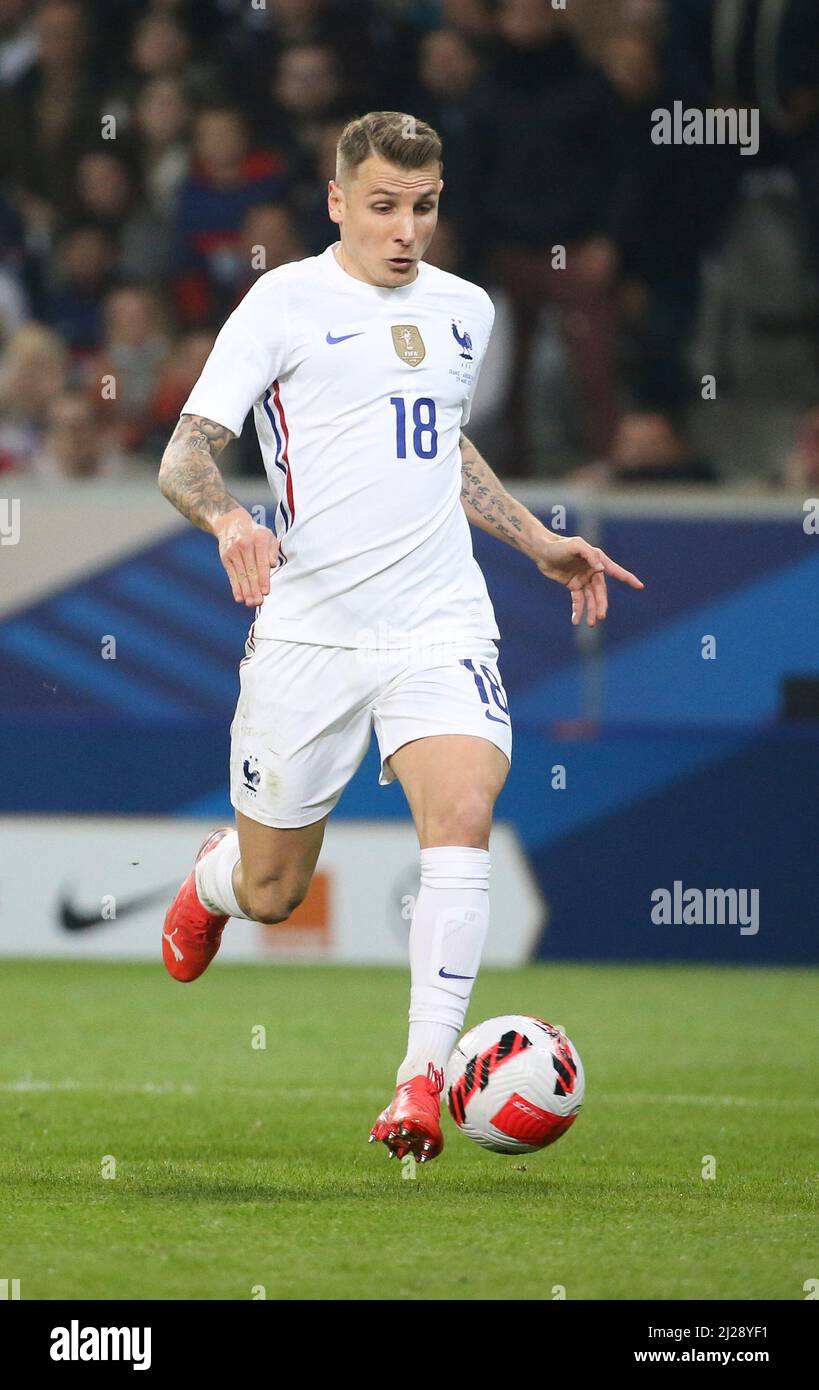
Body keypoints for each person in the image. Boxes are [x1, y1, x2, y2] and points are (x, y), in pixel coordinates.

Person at [156, 110, 644, 1164]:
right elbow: (186, 454)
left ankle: (420, 1081)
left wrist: (532, 539)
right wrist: (233, 520)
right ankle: (213, 880)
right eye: (382, 205)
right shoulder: (283, 300)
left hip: (439, 620)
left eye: (423, 206)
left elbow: (438, 443)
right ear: (338, 200)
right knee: (277, 891)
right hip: (312, 633)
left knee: (463, 811)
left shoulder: (467, 310)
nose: (406, 228)